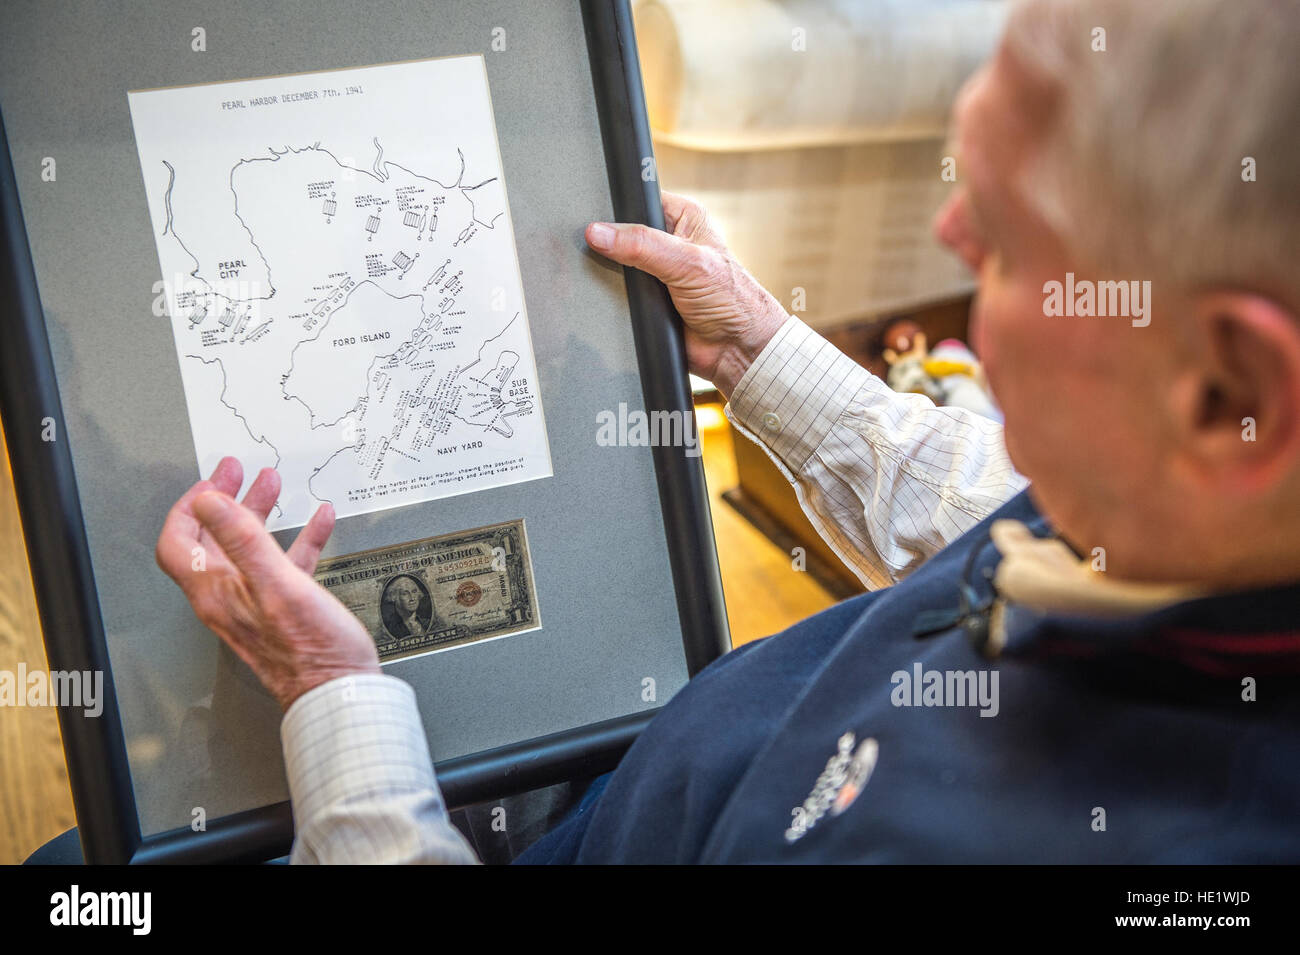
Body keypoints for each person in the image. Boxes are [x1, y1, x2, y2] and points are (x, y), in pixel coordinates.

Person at [155, 0, 1300, 863]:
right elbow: (990, 496)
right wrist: (756, 350)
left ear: (1228, 393)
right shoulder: (1183, 509)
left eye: (1001, 244)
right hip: (658, 771)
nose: (946, 231)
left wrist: (328, 694)